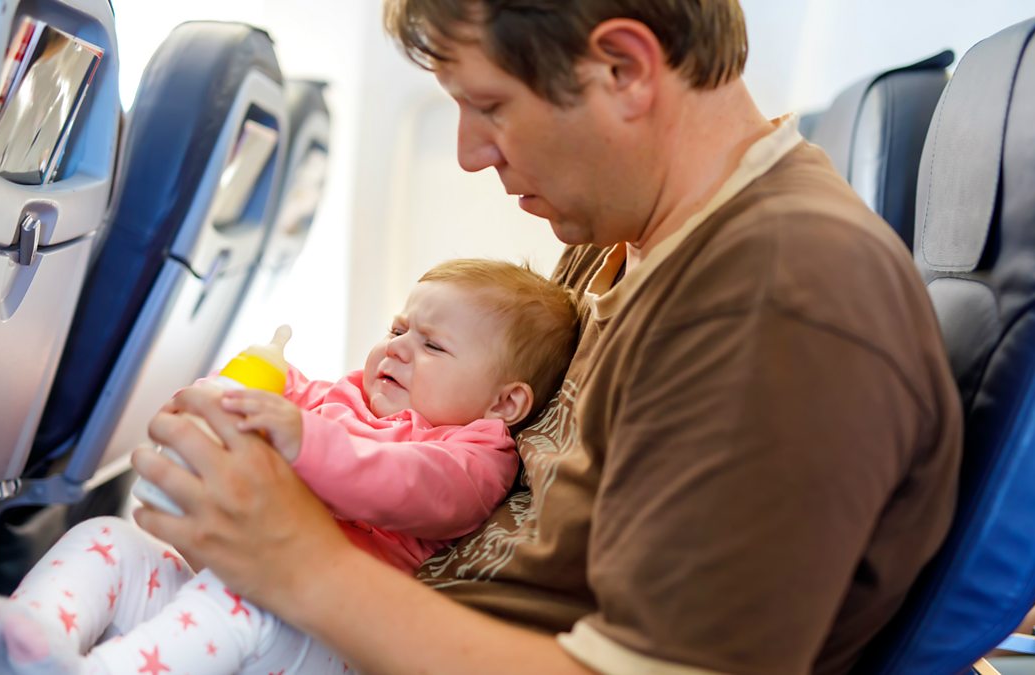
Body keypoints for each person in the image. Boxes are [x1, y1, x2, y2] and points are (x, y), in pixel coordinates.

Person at [131, 1, 964, 673]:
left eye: (489, 106)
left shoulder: (778, 298)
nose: (466, 154)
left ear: (624, 69)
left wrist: (298, 560)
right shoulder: (613, 244)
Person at [0, 258, 580, 674]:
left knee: (234, 600)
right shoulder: (339, 395)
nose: (399, 348)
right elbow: (261, 398)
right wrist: (225, 393)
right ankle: (38, 637)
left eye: (433, 344)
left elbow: (406, 489)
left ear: (506, 400)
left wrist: (304, 441)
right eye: (399, 326)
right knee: (106, 537)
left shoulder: (473, 454)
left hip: (323, 637)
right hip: (225, 596)